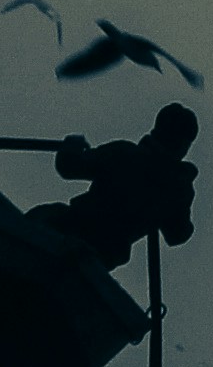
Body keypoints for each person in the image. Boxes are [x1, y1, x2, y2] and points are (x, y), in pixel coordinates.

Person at [32, 101, 198, 267]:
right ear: (184, 145)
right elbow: (177, 235)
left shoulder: (124, 153)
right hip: (104, 255)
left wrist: (71, 146)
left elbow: (69, 166)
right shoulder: (176, 187)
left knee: (37, 220)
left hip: (70, 228)